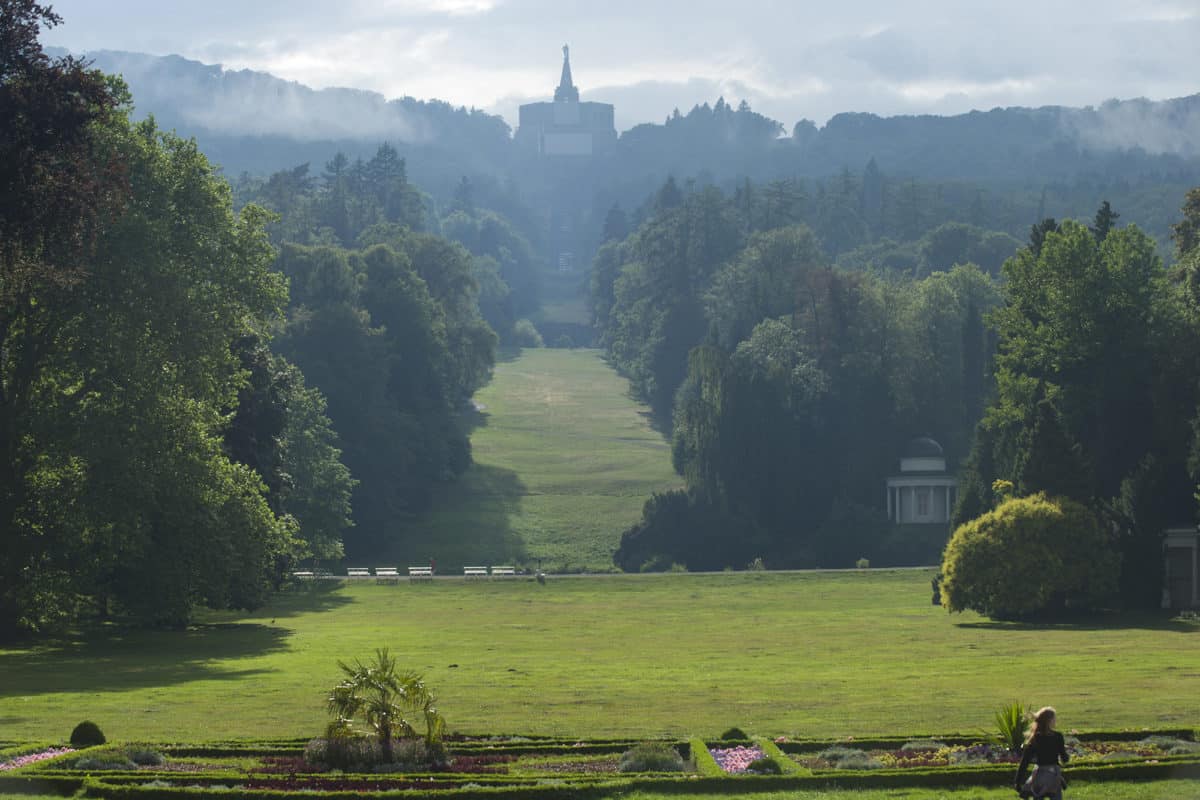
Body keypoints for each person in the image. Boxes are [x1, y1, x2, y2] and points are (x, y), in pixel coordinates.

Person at [1014, 706, 1068, 799]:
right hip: (1053, 776)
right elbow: (1064, 758)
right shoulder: (1058, 736)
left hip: (1039, 776)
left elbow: (1025, 761)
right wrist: (1066, 757)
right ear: (1050, 720)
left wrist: (1018, 782)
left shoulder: (1035, 738)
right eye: (1054, 718)